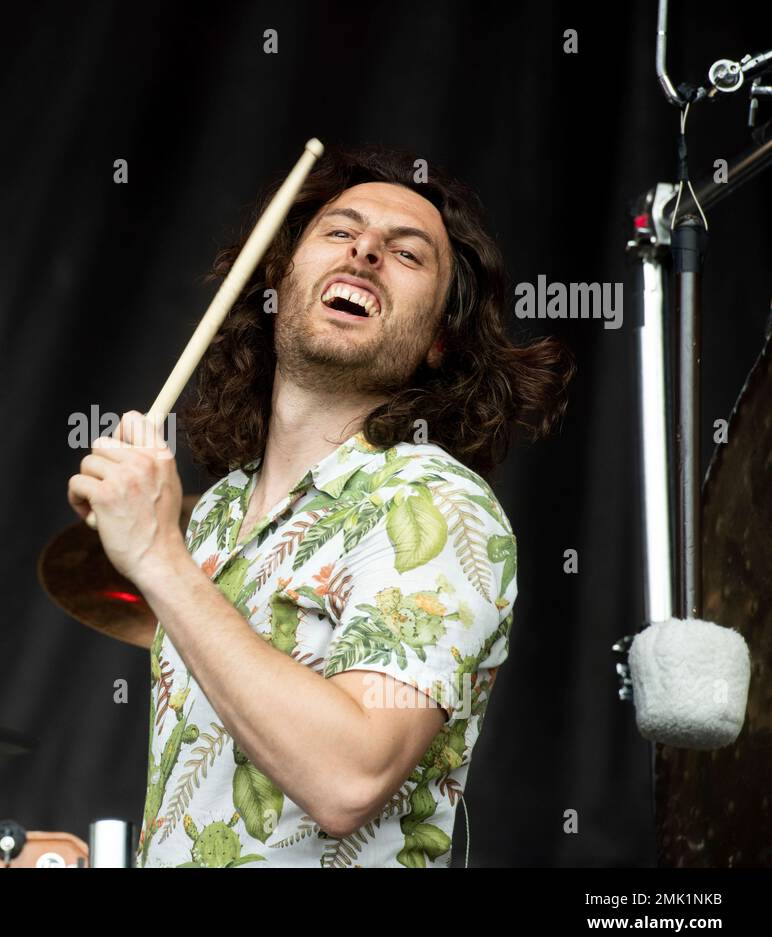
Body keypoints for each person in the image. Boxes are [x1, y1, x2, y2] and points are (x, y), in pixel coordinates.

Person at [67, 145, 574, 867]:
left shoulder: (436, 502)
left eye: (408, 253)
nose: (365, 250)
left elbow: (349, 777)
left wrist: (157, 558)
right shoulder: (214, 516)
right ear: (278, 277)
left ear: (437, 340)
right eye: (340, 231)